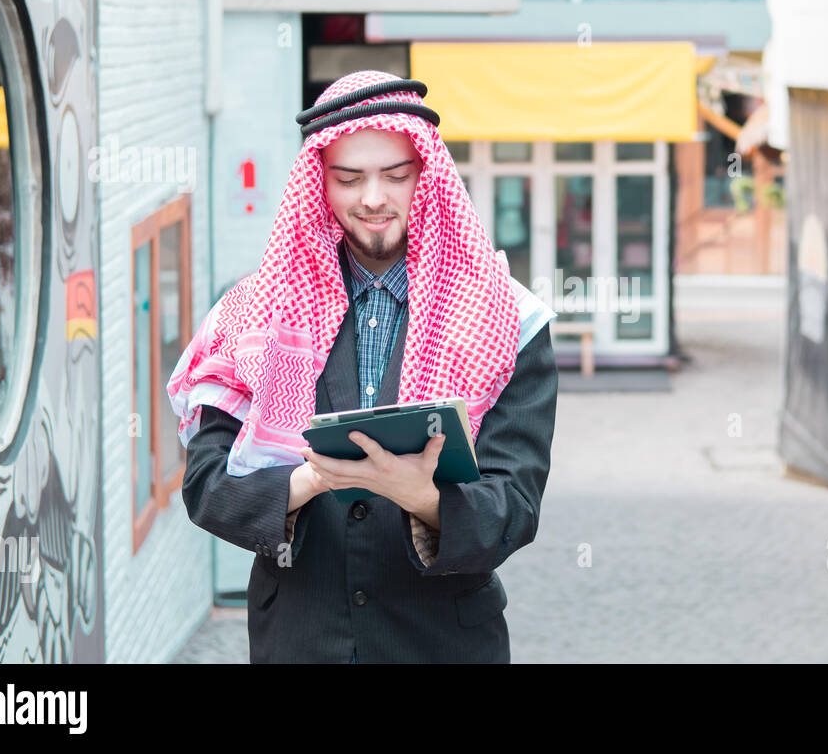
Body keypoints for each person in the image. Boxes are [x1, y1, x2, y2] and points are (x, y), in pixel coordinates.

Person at [165, 70, 558, 663]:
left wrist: (423, 499)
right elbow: (208, 489)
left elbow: (515, 508)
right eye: (349, 179)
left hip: (442, 646)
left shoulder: (507, 317)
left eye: (395, 176)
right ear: (319, 185)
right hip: (299, 642)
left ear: (426, 178)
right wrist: (311, 481)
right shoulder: (252, 315)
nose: (373, 197)